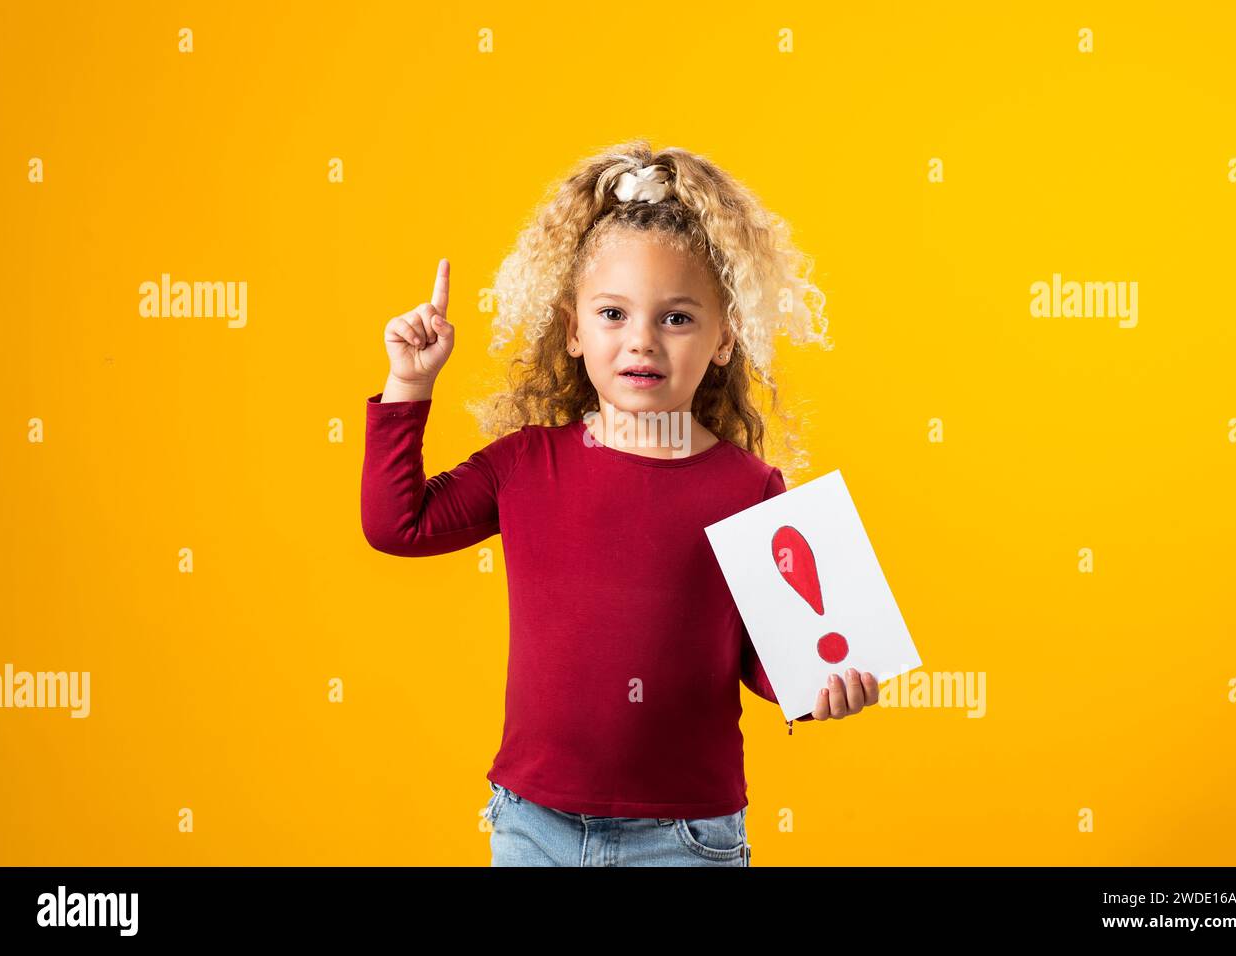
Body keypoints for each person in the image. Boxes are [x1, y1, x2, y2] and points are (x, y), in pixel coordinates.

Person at [360, 140, 879, 866]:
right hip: (531, 826)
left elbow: (760, 662)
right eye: (612, 314)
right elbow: (398, 526)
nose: (642, 341)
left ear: (725, 339)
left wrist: (818, 685)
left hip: (686, 838)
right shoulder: (526, 463)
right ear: (573, 330)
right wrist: (409, 384)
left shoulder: (750, 489)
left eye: (676, 318)